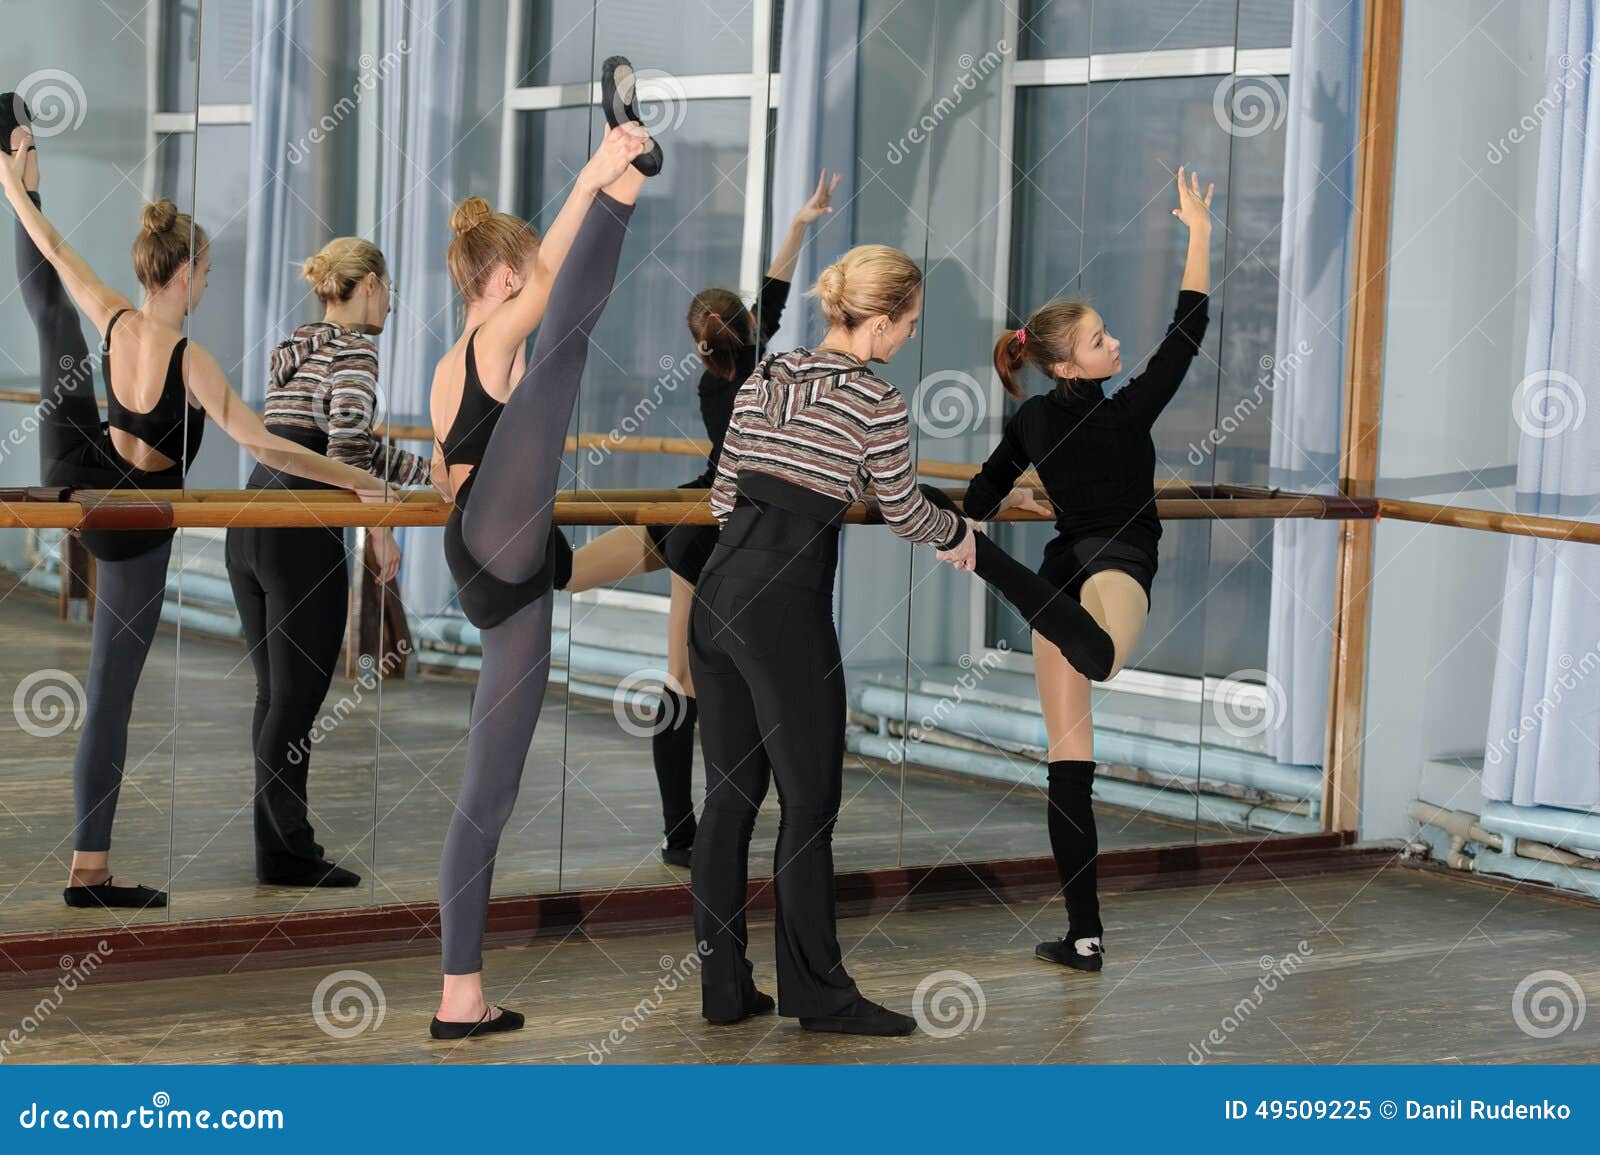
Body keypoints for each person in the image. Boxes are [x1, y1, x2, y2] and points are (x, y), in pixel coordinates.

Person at [1, 99, 390, 912]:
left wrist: (16, 191)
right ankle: (89, 873)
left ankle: (14, 151)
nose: (207, 282)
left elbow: (56, 252)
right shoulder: (193, 359)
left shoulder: (115, 316)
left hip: (87, 476)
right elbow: (268, 447)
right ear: (184, 274)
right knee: (113, 690)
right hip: (136, 528)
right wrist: (359, 481)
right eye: (206, 271)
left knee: (53, 319)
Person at [689, 243, 983, 1037]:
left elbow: (721, 497)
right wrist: (960, 533)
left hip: (717, 592)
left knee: (730, 798)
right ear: (879, 321)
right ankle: (818, 992)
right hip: (783, 604)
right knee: (810, 802)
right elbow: (904, 510)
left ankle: (725, 989)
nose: (910, 337)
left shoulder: (766, 374)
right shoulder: (876, 398)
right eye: (909, 323)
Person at [426, 107, 654, 1039]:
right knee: (564, 346)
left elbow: (452, 470)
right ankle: (623, 189)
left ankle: (461, 995)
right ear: (504, 278)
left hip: (489, 557)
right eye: (525, 273)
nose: (533, 281)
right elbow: (554, 290)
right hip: (500, 543)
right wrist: (596, 175)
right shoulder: (489, 343)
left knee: (490, 788)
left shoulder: (453, 362)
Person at [966, 166, 1215, 973]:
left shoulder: (1031, 420)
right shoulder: (1129, 410)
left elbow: (979, 494)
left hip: (1062, 573)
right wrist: (1200, 233)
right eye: (1101, 340)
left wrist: (1007, 500)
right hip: (1113, 561)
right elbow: (1188, 331)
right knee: (1102, 662)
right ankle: (985, 564)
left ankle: (1083, 935)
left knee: (1070, 753)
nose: (1116, 345)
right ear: (1070, 365)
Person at [562, 169, 840, 869]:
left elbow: (769, 295)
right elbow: (775, 290)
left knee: (565, 574)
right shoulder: (759, 366)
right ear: (746, 328)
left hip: (688, 507)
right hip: (717, 525)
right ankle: (679, 833)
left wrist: (799, 225)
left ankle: (506, 542)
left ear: (698, 345)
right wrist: (800, 223)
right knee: (682, 678)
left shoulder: (717, 378)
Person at [228, 237, 431, 889]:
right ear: (368, 284)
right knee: (296, 700)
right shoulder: (356, 350)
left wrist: (421, 473)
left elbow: (316, 444)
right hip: (301, 534)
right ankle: (289, 851)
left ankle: (279, 847)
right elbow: (348, 454)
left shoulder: (295, 344)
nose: (390, 304)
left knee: (275, 698)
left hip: (251, 521)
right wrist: (390, 518)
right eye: (389, 289)